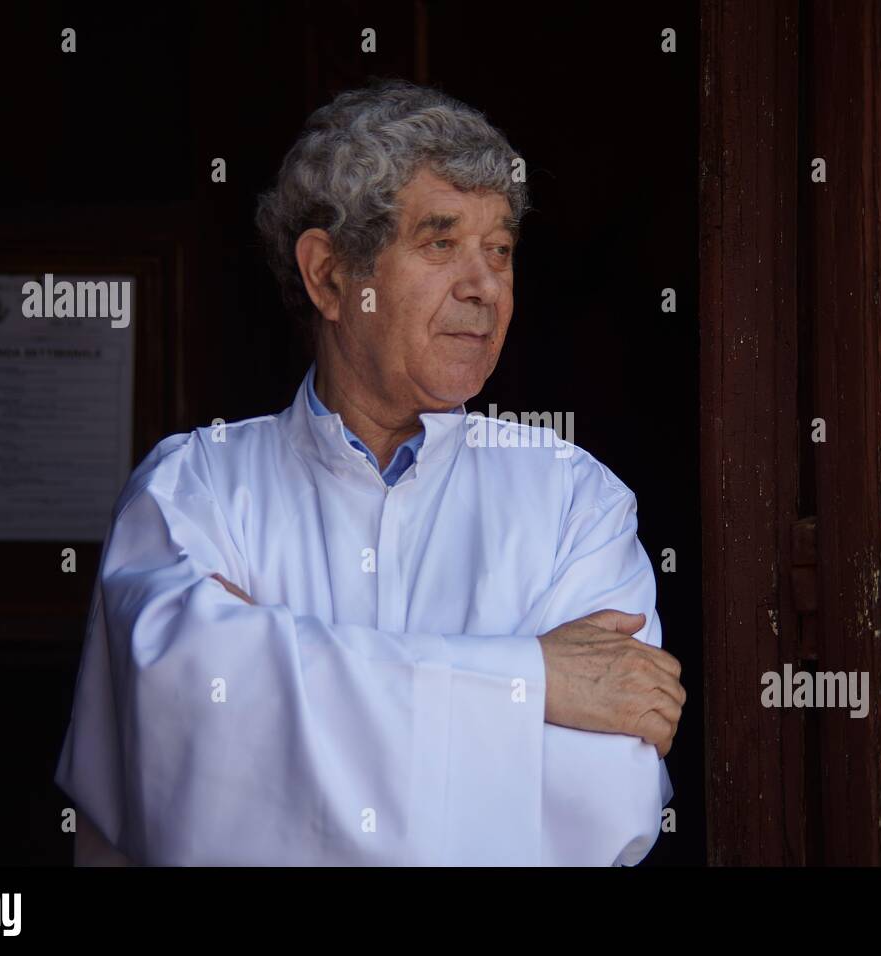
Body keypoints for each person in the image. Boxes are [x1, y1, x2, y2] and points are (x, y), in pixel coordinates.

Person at [54, 78, 685, 866]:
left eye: (501, 250)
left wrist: (280, 683)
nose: (483, 287)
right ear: (328, 278)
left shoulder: (576, 502)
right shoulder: (194, 490)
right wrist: (531, 680)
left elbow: (599, 812)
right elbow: (187, 775)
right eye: (441, 241)